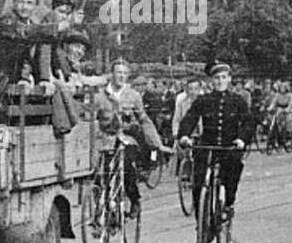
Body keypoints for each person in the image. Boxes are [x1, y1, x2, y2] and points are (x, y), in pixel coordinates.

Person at [93, 60, 166, 221]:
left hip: (127, 139)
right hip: (104, 140)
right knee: (98, 175)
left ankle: (134, 200)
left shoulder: (133, 96)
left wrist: (157, 143)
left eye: (125, 73)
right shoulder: (99, 95)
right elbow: (90, 119)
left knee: (127, 167)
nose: (122, 76)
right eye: (118, 72)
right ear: (112, 74)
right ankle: (100, 211)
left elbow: (144, 120)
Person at [177, 63, 249, 222]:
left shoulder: (238, 101)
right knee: (198, 184)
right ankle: (201, 226)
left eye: (223, 77)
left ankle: (229, 203)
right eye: (216, 78)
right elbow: (190, 118)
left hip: (229, 147)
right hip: (207, 146)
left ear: (229, 79)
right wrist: (184, 135)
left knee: (232, 172)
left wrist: (242, 139)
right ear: (211, 81)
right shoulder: (204, 100)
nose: (220, 81)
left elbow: (248, 122)